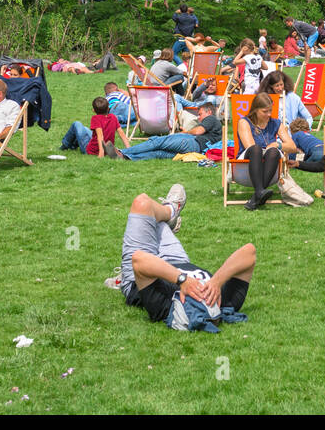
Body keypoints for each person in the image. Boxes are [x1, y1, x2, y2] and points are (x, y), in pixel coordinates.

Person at [117, 185, 257, 327]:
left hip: (141, 275)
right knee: (153, 216)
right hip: (177, 258)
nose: (203, 300)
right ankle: (169, 216)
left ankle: (170, 210)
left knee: (142, 204)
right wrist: (216, 282)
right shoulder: (221, 301)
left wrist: (182, 280)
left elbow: (139, 259)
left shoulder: (167, 308)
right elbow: (249, 252)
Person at [235, 92, 301, 210]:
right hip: (245, 166)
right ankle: (259, 192)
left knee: (274, 151)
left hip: (270, 167)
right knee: (256, 149)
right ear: (255, 110)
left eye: (270, 110)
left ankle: (258, 195)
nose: (269, 114)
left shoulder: (275, 123)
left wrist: (277, 144)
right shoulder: (244, 122)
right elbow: (249, 147)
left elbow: (292, 147)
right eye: (265, 111)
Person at [121, 100, 221, 161]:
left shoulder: (211, 118)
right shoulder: (216, 125)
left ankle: (122, 152)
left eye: (200, 114)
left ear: (209, 112)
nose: (198, 117)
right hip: (198, 150)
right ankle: (127, 157)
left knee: (157, 141)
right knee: (159, 153)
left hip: (193, 143)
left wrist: (186, 132)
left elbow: (198, 131)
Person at [62, 96, 128, 157]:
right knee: (84, 128)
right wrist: (128, 149)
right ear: (108, 108)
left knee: (76, 124)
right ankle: (73, 145)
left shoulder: (96, 118)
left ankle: (65, 145)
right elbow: (121, 133)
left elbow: (100, 136)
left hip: (91, 150)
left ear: (93, 110)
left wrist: (101, 153)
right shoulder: (113, 117)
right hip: (107, 149)